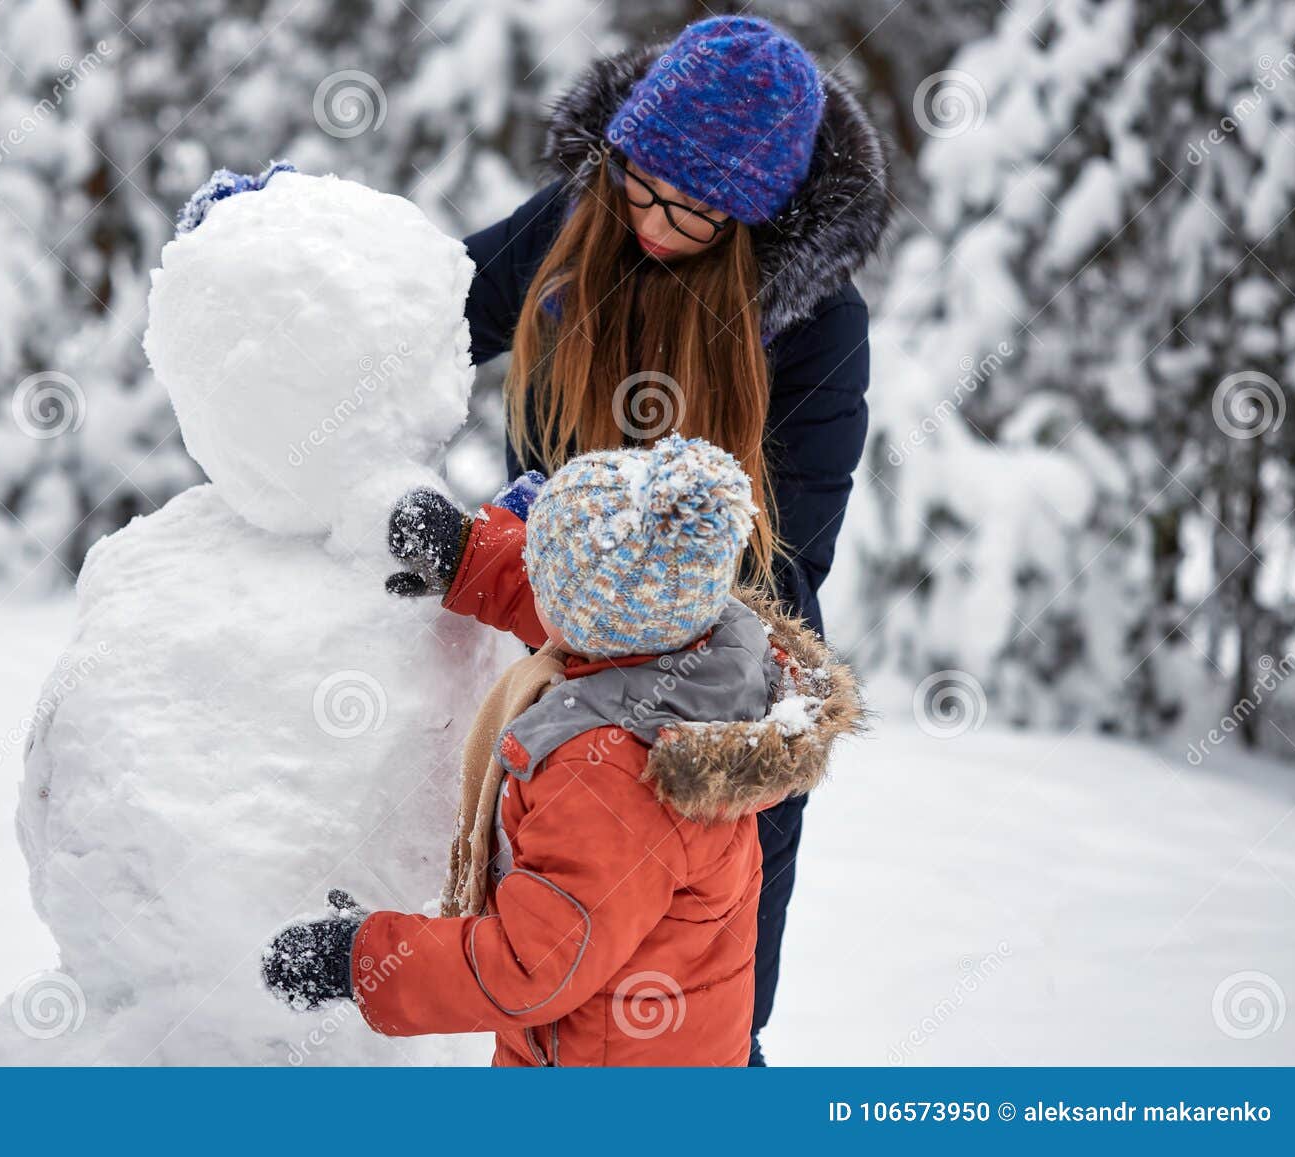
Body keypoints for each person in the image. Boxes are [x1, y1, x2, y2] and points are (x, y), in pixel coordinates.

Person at [393, 14, 889, 1063]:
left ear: (753, 219)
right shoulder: (592, 213)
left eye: (694, 211)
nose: (654, 222)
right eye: (639, 186)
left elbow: (779, 567)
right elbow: (428, 311)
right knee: (541, 1020)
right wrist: (299, 253)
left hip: (706, 723)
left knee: (688, 1035)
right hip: (556, 689)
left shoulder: (815, 329)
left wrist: (565, 534)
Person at [261, 436, 860, 1066]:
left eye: (542, 571)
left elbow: (529, 967)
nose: (540, 595)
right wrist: (471, 556)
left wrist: (366, 961)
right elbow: (598, 604)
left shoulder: (605, 779)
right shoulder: (708, 647)